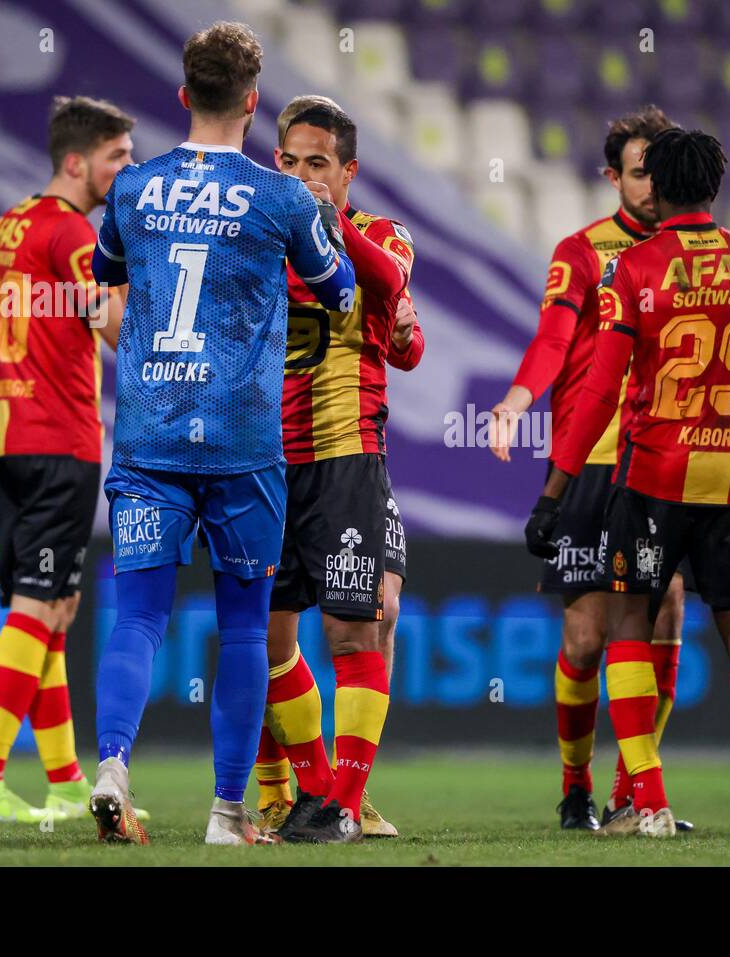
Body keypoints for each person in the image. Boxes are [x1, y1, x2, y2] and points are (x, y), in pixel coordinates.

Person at [87, 21, 354, 846]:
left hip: (149, 434)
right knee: (244, 628)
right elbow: (337, 289)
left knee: (136, 618)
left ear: (182, 95)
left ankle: (112, 764)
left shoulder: (132, 188)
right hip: (242, 441)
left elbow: (107, 276)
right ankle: (227, 814)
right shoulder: (282, 196)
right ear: (252, 102)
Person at [526, 128, 730, 839]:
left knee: (627, 627)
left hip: (652, 477)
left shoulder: (634, 269)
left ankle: (647, 799)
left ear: (660, 186)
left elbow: (599, 393)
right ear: (714, 185)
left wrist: (554, 494)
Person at [489, 106, 689, 832]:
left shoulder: (691, 254)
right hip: (591, 462)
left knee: (665, 612)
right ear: (613, 177)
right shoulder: (582, 251)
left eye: (662, 171)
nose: (653, 184)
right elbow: (551, 339)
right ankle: (575, 785)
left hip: (663, 462)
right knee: (584, 637)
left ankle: (634, 791)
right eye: (641, 172)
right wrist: (516, 399)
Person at [0, 95, 135, 825]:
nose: (126, 170)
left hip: (6, 431)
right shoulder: (72, 234)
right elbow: (117, 330)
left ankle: (65, 780)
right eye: (116, 157)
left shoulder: (13, 222)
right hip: (60, 439)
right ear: (76, 161)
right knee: (37, 608)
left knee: (56, 608)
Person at [253, 97, 422, 843]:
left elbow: (388, 287)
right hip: (260, 458)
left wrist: (332, 224)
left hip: (347, 454)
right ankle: (315, 793)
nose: (298, 174)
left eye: (316, 163)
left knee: (359, 628)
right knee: (265, 638)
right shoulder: (257, 234)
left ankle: (343, 804)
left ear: (348, 171)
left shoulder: (381, 232)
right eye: (288, 160)